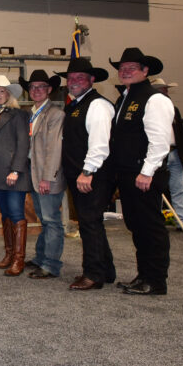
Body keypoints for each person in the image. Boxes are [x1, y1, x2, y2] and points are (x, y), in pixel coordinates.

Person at [108, 48, 173, 296]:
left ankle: (156, 280)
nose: (125, 72)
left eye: (131, 68)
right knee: (136, 226)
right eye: (122, 68)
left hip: (144, 173)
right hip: (128, 173)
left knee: (150, 227)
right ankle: (143, 274)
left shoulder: (155, 99)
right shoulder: (125, 97)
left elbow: (159, 141)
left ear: (146, 71)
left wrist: (147, 172)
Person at [56, 59, 117, 291]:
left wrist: (87, 171)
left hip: (93, 175)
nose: (73, 82)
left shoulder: (98, 106)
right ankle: (106, 270)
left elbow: (100, 144)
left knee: (89, 223)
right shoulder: (77, 104)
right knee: (92, 223)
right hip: (81, 174)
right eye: (70, 79)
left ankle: (93, 274)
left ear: (92, 80)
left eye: (80, 78)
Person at [20, 70, 66, 279]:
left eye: (41, 87)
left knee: (51, 219)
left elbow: (54, 148)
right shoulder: (31, 113)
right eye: (33, 87)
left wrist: (47, 177)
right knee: (43, 218)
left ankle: (51, 264)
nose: (36, 90)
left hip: (47, 175)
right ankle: (41, 258)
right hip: (34, 172)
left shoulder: (55, 114)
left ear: (49, 90)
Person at [0, 75, 30, 276]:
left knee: (17, 214)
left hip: (13, 173)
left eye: (1, 91)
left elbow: (23, 144)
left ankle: (19, 259)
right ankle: (9, 254)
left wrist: (16, 170)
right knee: (6, 215)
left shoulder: (18, 115)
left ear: (8, 94)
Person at [150, 77, 183, 232]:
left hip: (175, 152)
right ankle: (155, 220)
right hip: (157, 153)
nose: (166, 91)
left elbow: (180, 134)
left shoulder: (173, 110)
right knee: (154, 187)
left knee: (179, 187)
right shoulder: (149, 109)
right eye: (163, 89)